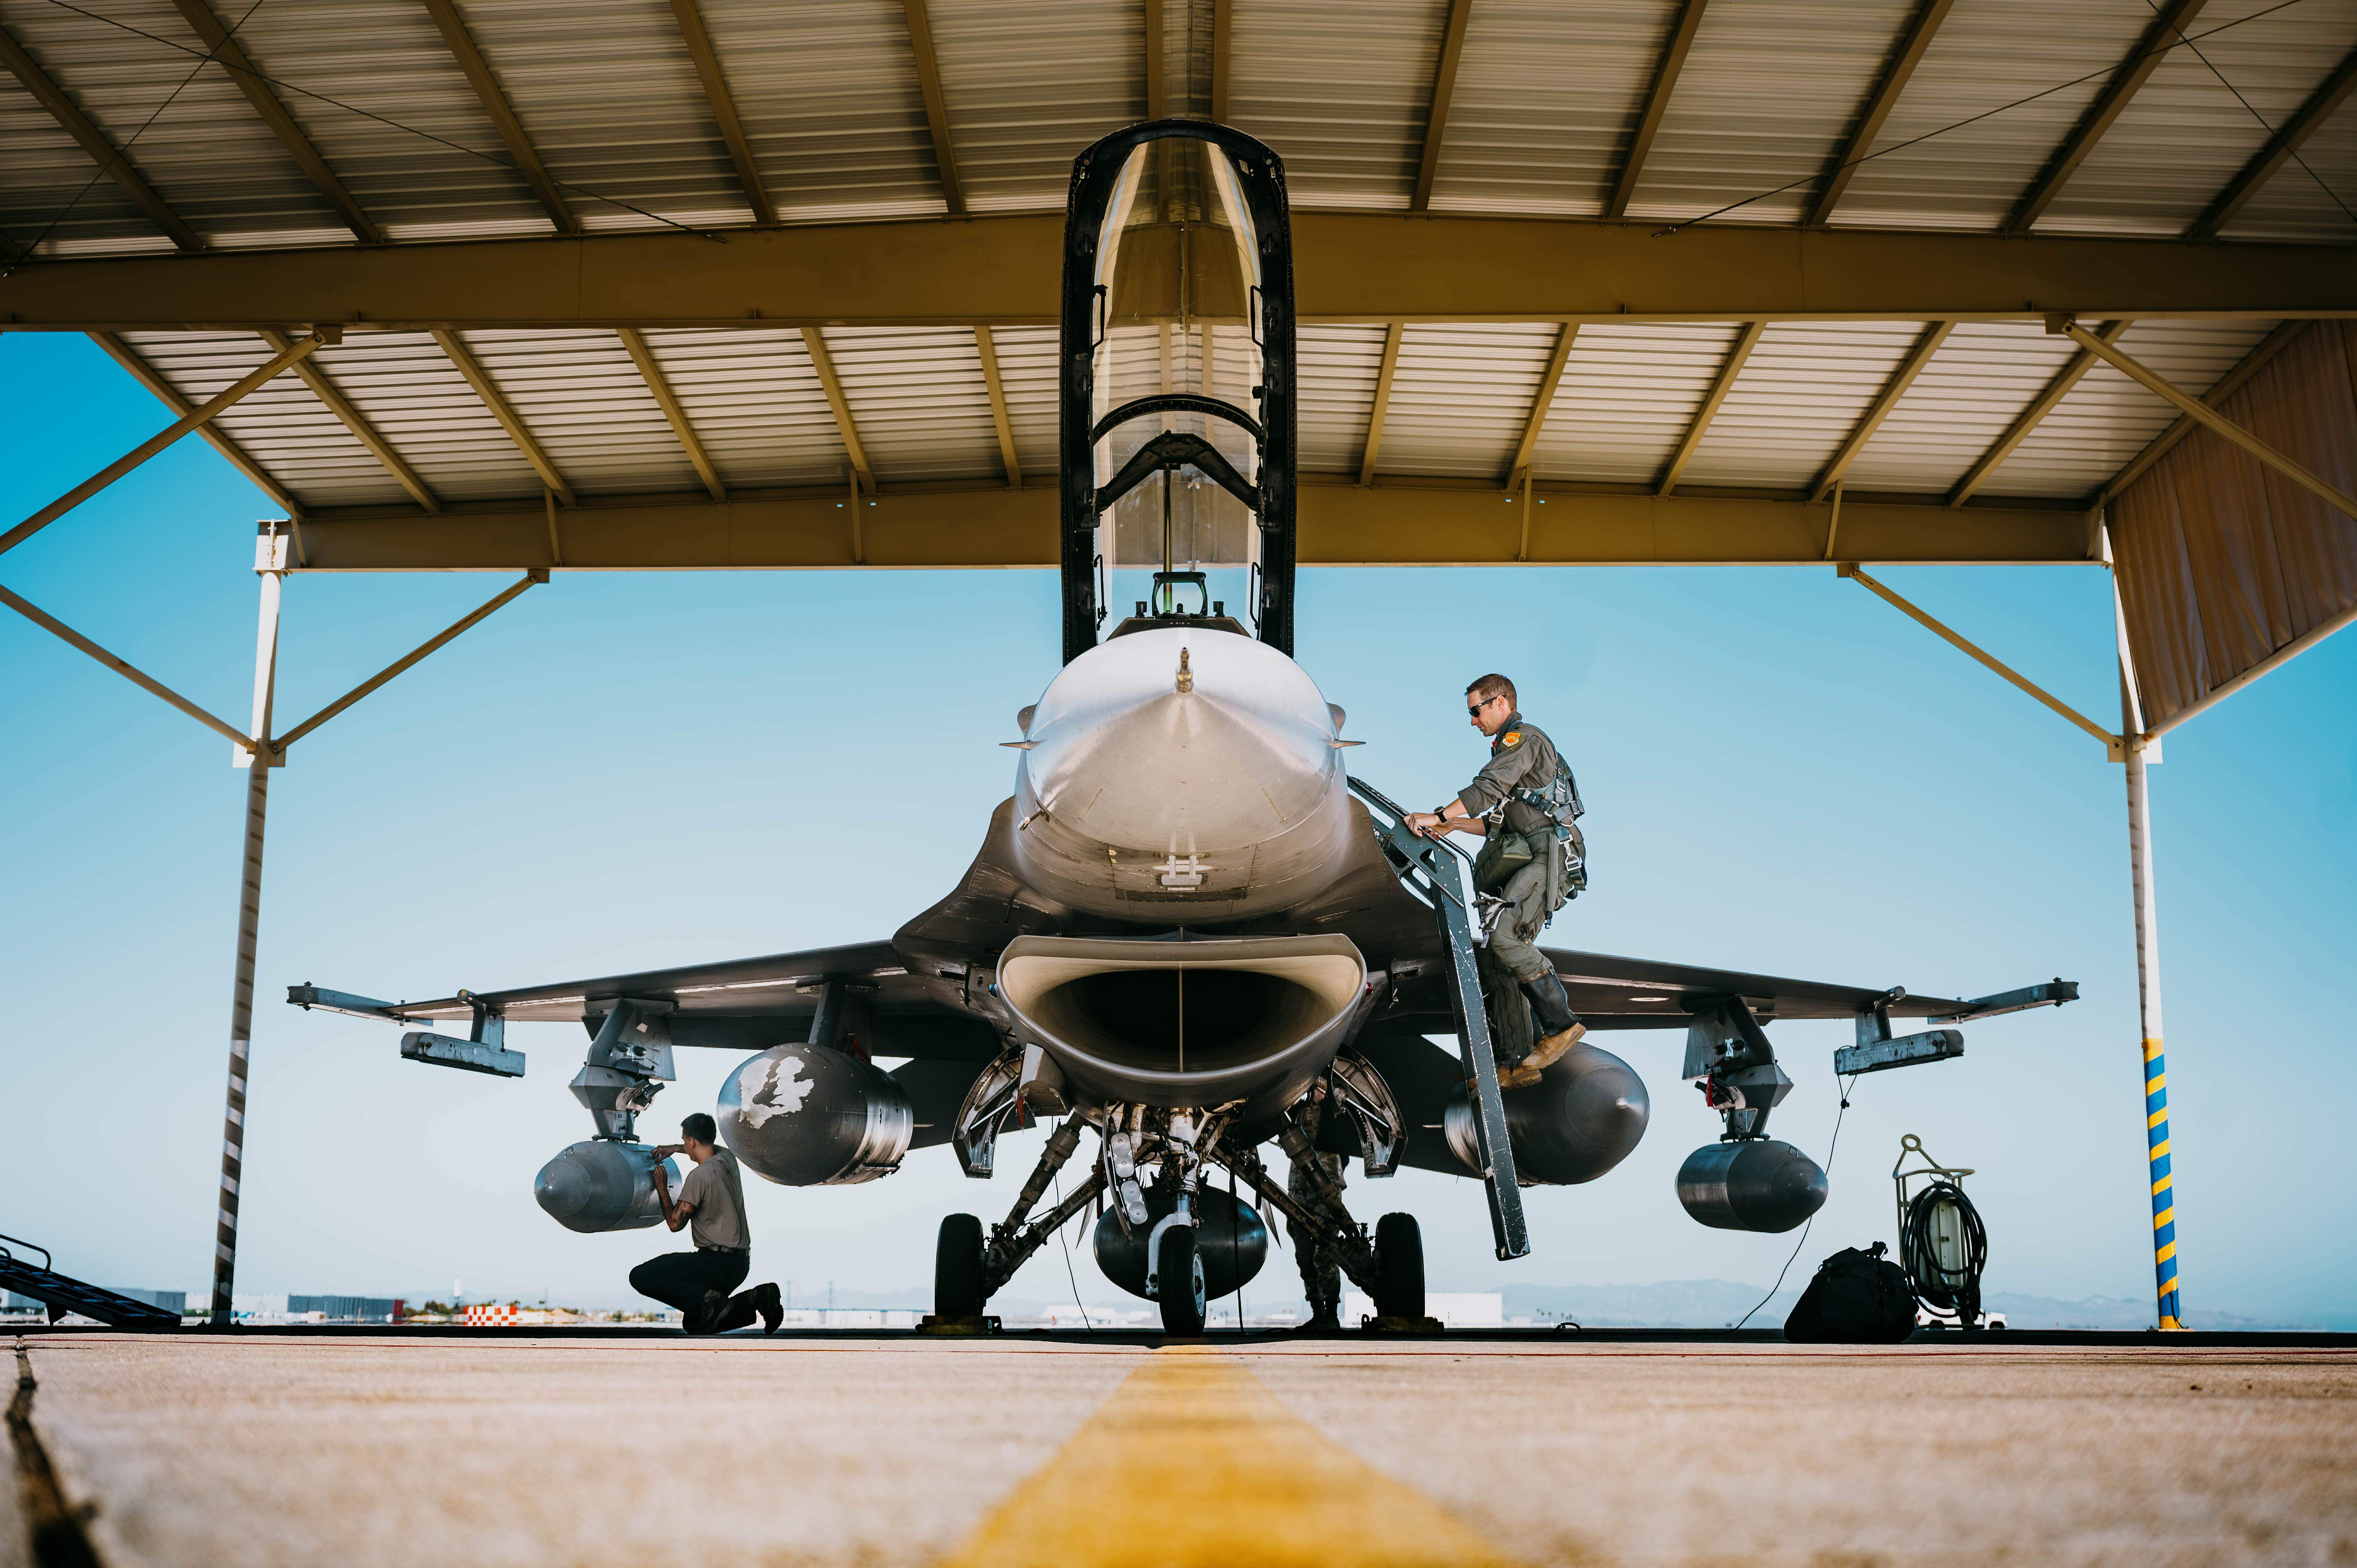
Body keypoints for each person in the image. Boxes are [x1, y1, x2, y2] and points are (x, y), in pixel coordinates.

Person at [1404, 673, 1585, 1089]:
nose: (1472, 720)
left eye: (1475, 710)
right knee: (1494, 958)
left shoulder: (1521, 739)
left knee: (1506, 939)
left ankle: (1561, 1025)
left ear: (1500, 703)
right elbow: (1495, 823)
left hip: (1547, 854)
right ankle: (1515, 1062)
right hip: (1527, 847)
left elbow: (1488, 788)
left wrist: (1439, 816)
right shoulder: (1513, 755)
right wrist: (1451, 828)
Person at [630, 1113, 783, 1334]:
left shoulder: (699, 1177)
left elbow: (675, 1223)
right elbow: (708, 1146)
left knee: (641, 1276)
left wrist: (662, 1188)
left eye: (685, 1140)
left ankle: (726, 1300)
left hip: (714, 1264)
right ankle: (755, 1298)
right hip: (739, 1265)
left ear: (691, 1141)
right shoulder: (728, 1160)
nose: (684, 1144)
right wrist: (675, 1148)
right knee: (694, 1323)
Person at [1284, 1080, 1350, 1334]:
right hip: (1299, 1186)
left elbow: (1336, 1099)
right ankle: (1318, 1313)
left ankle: (1331, 1314)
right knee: (1304, 1254)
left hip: (1326, 1184)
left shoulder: (1335, 1106)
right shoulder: (1297, 1107)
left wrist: (1321, 1092)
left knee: (1325, 1251)